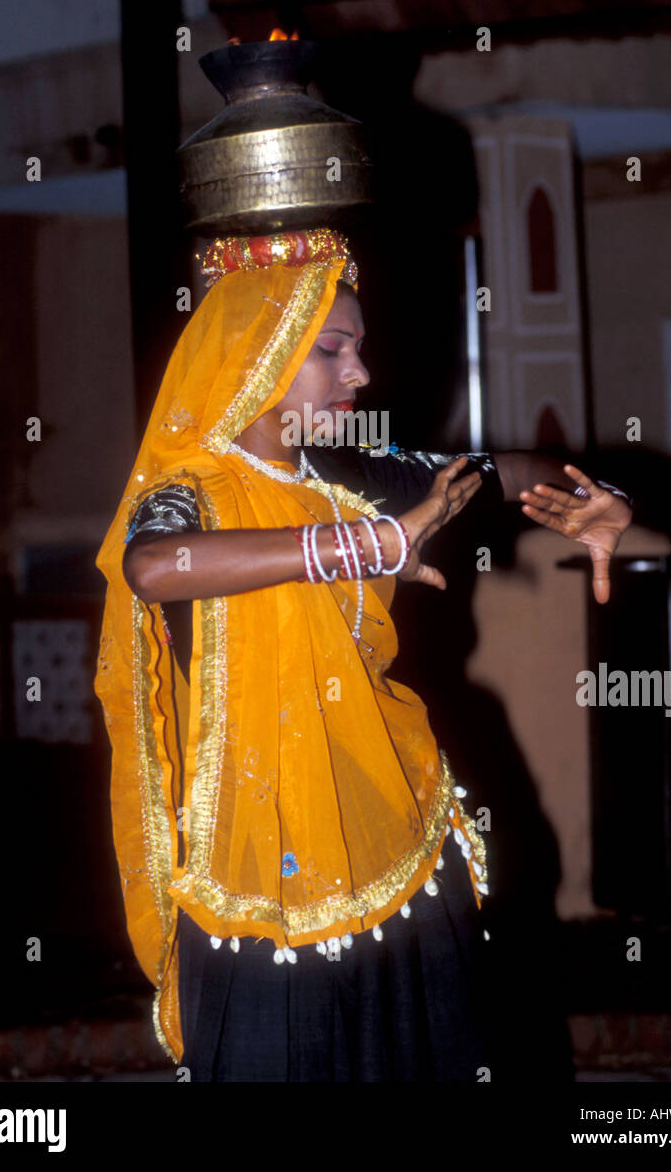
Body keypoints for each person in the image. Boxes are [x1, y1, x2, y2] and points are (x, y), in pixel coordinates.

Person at [95, 228, 632, 1082]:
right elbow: (154, 567)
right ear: (260, 351)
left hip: (399, 842)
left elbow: (480, 472)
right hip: (259, 873)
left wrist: (597, 499)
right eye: (332, 350)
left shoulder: (344, 474)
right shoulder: (188, 491)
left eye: (359, 350)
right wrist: (362, 545)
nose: (360, 375)